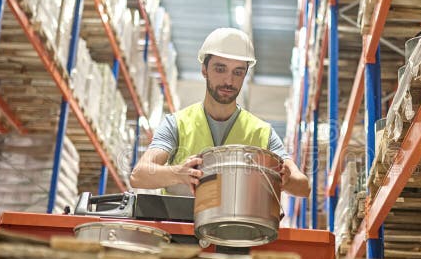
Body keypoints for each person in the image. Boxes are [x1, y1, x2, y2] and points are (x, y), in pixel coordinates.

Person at [129, 27, 311, 198]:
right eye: (220, 69)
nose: (229, 81)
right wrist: (179, 173)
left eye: (238, 72)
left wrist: (286, 180)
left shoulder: (262, 132)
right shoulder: (177, 124)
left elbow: (303, 187)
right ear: (204, 70)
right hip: (179, 229)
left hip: (238, 229)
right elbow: (140, 175)